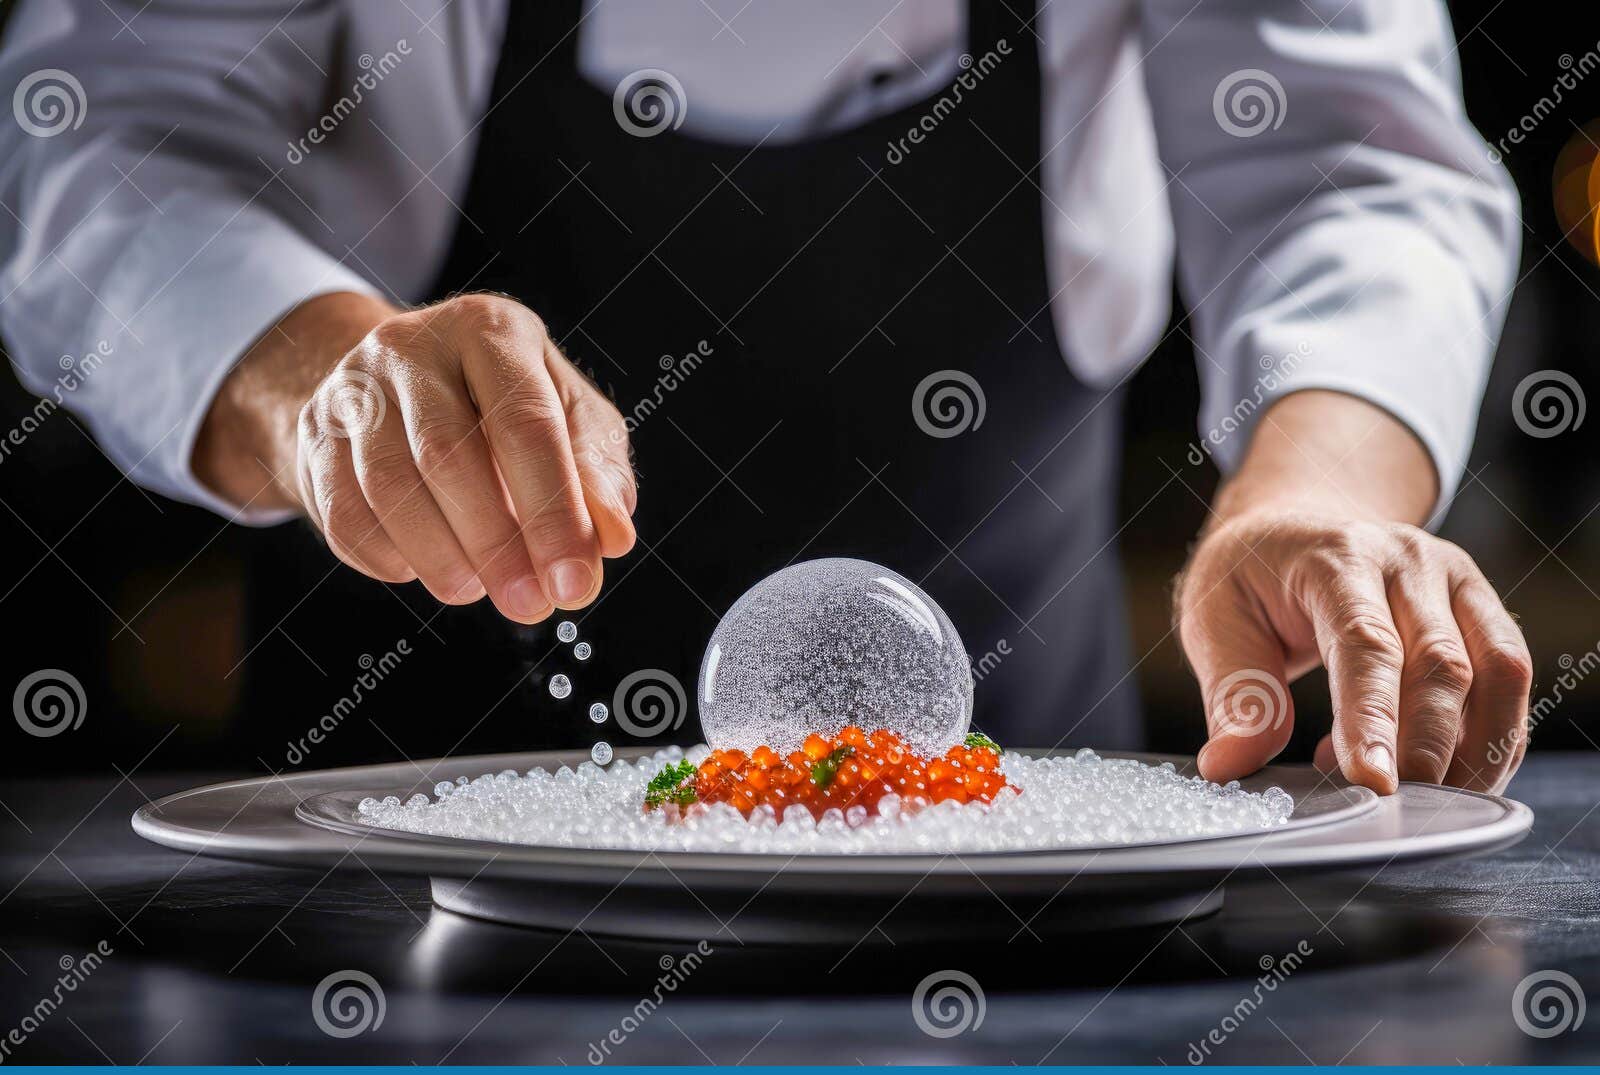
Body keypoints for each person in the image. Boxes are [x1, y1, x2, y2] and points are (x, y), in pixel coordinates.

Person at [0, 1, 1532, 792]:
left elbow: (1354, 170)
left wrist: (1315, 494)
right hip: (391, 866)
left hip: (1022, 834)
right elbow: (102, 136)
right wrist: (327, 371)